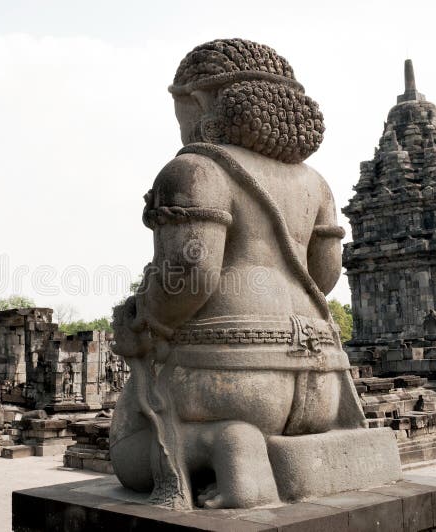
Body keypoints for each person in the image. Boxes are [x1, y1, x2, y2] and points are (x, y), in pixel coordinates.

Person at [110, 39, 365, 509]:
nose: (181, 125)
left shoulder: (194, 170)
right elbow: (325, 277)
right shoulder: (315, 183)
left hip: (231, 380)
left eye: (178, 110)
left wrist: (143, 318)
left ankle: (228, 444)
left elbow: (191, 274)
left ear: (199, 99)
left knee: (127, 452)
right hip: (323, 381)